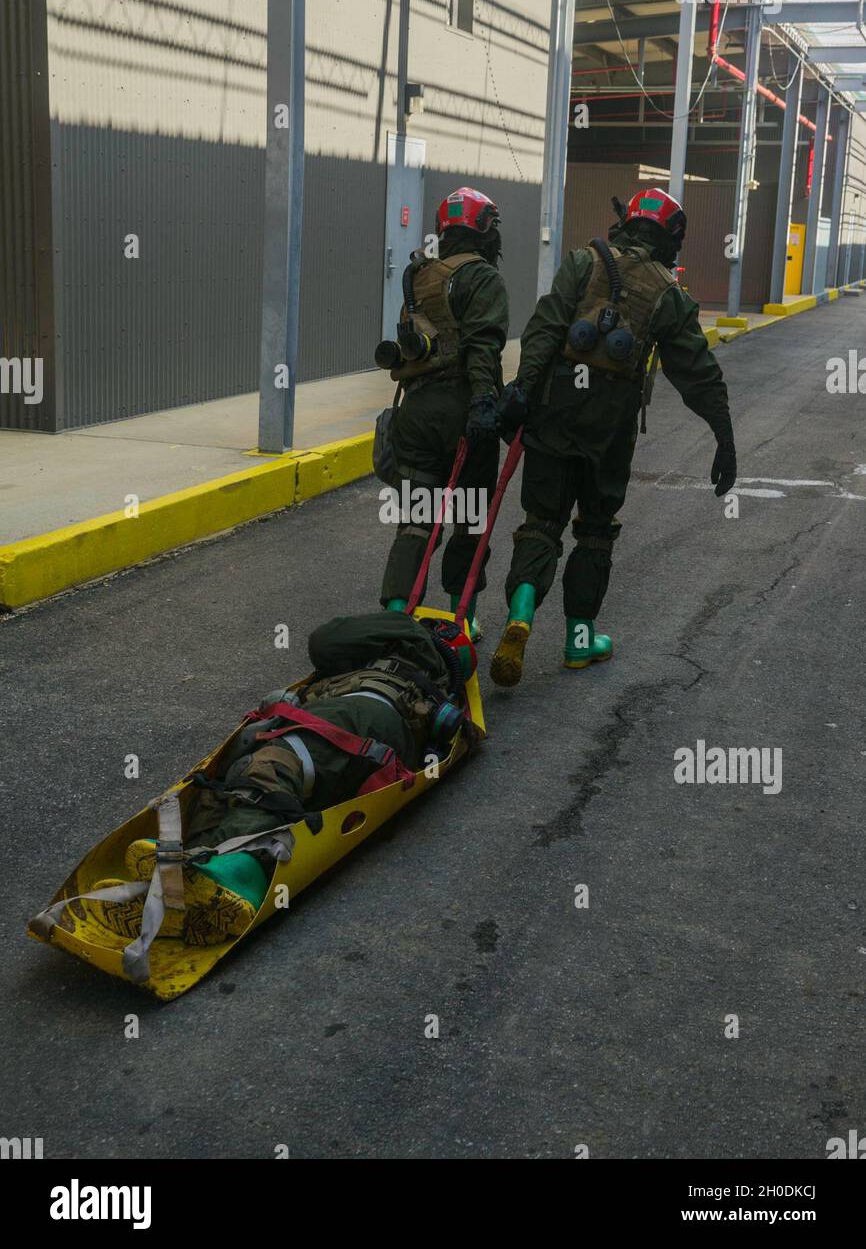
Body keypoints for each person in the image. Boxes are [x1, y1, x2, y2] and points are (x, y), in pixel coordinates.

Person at [88, 611, 477, 947]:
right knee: (238, 783)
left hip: (360, 720)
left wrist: (399, 624)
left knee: (271, 767)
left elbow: (324, 641)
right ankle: (189, 886)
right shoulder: (439, 694)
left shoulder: (407, 655)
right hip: (372, 744)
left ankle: (238, 876)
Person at [489, 187, 737, 688]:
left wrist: (520, 392)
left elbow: (543, 330)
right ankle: (580, 640)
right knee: (595, 529)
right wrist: (723, 435)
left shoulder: (583, 262)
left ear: (628, 223)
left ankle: (520, 616)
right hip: (611, 424)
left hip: (555, 411)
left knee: (541, 521)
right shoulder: (669, 292)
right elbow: (696, 371)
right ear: (670, 238)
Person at [378, 187, 509, 640]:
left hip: (415, 411)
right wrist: (483, 403)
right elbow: (482, 347)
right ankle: (461, 621)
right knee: (470, 521)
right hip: (462, 414)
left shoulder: (420, 277)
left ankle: (397, 616)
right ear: (486, 229)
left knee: (416, 519)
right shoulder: (482, 278)